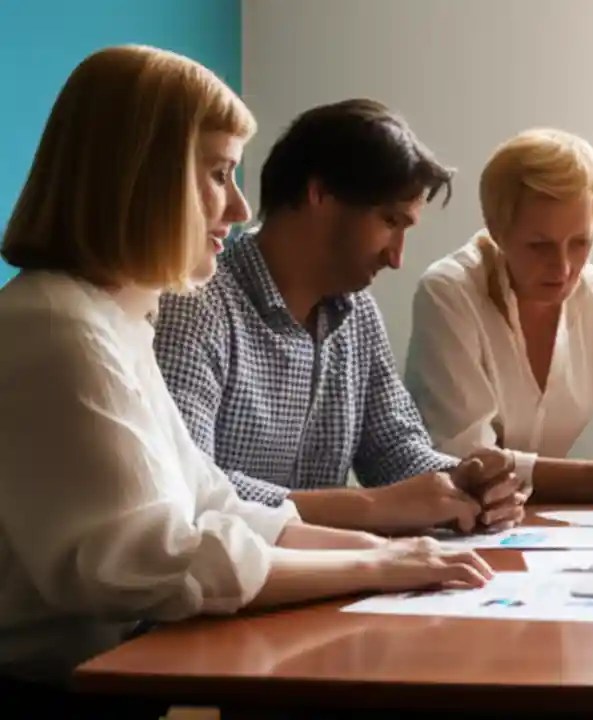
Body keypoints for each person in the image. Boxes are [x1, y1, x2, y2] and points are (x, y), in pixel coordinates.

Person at [0, 45, 492, 711]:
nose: (236, 207)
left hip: (121, 669)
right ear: (140, 174)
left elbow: (215, 504)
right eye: (218, 173)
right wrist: (376, 561)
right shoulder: (58, 327)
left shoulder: (117, 319)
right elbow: (155, 561)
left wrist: (390, 554)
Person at [153, 99, 525, 535]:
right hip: (229, 588)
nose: (397, 256)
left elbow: (392, 445)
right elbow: (191, 487)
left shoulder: (357, 311)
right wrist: (370, 506)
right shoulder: (194, 305)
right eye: (390, 221)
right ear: (320, 195)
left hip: (321, 582)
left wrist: (463, 481)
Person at [405, 128, 593, 503]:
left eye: (580, 243)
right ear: (498, 231)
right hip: (454, 526)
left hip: (547, 527)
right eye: (539, 246)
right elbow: (466, 462)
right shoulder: (449, 292)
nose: (562, 268)